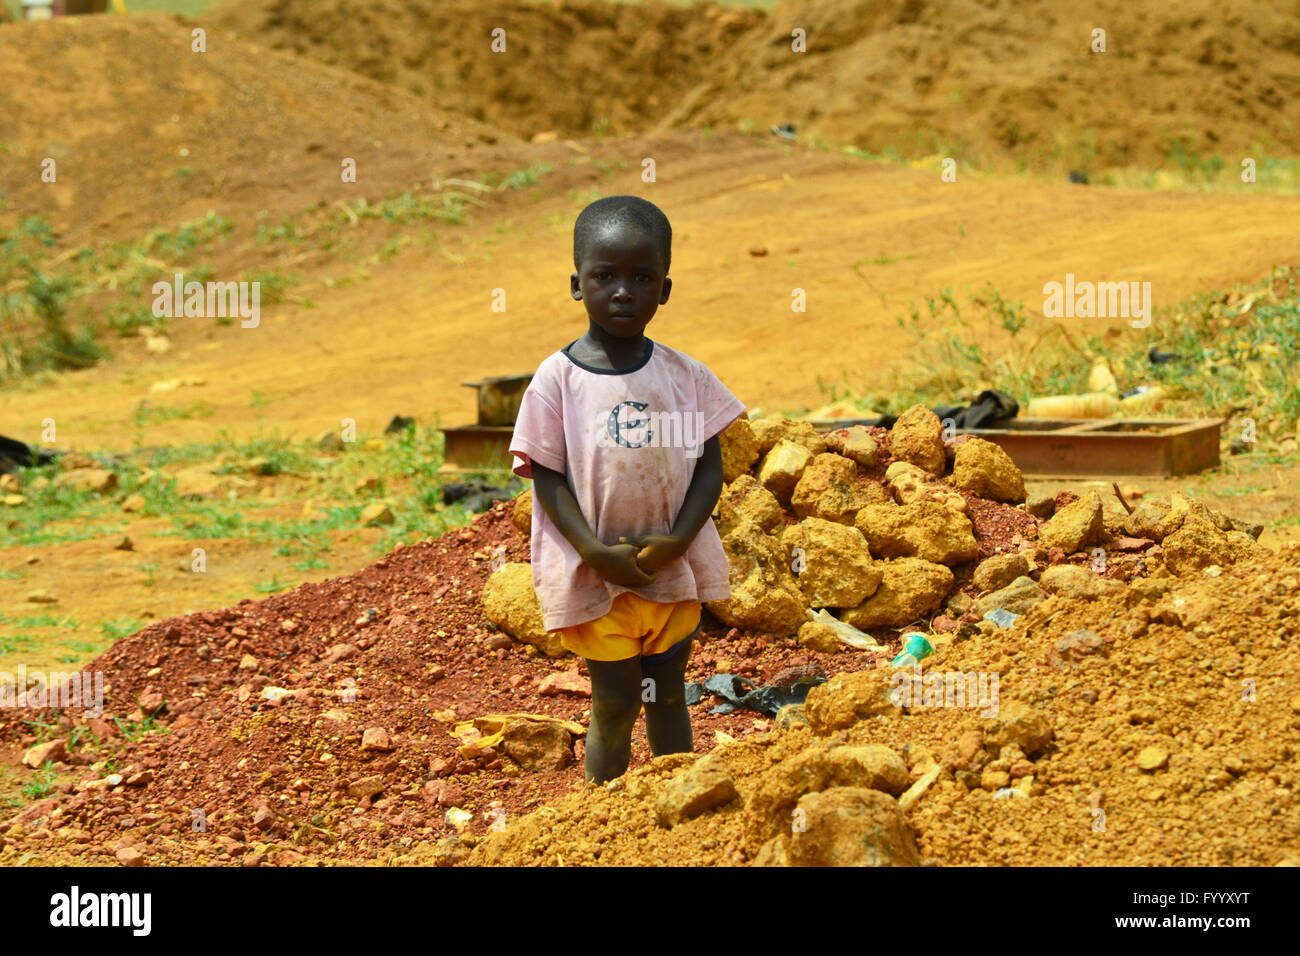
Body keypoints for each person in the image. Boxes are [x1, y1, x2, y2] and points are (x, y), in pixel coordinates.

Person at [509, 195, 745, 785]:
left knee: (669, 697)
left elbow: (708, 469)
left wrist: (677, 541)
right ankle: (605, 821)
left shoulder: (684, 375)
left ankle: (680, 804)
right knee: (614, 704)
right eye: (605, 276)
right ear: (576, 283)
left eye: (642, 278)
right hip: (598, 572)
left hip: (668, 569)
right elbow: (548, 476)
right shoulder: (555, 381)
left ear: (664, 290)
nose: (623, 291)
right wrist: (593, 551)